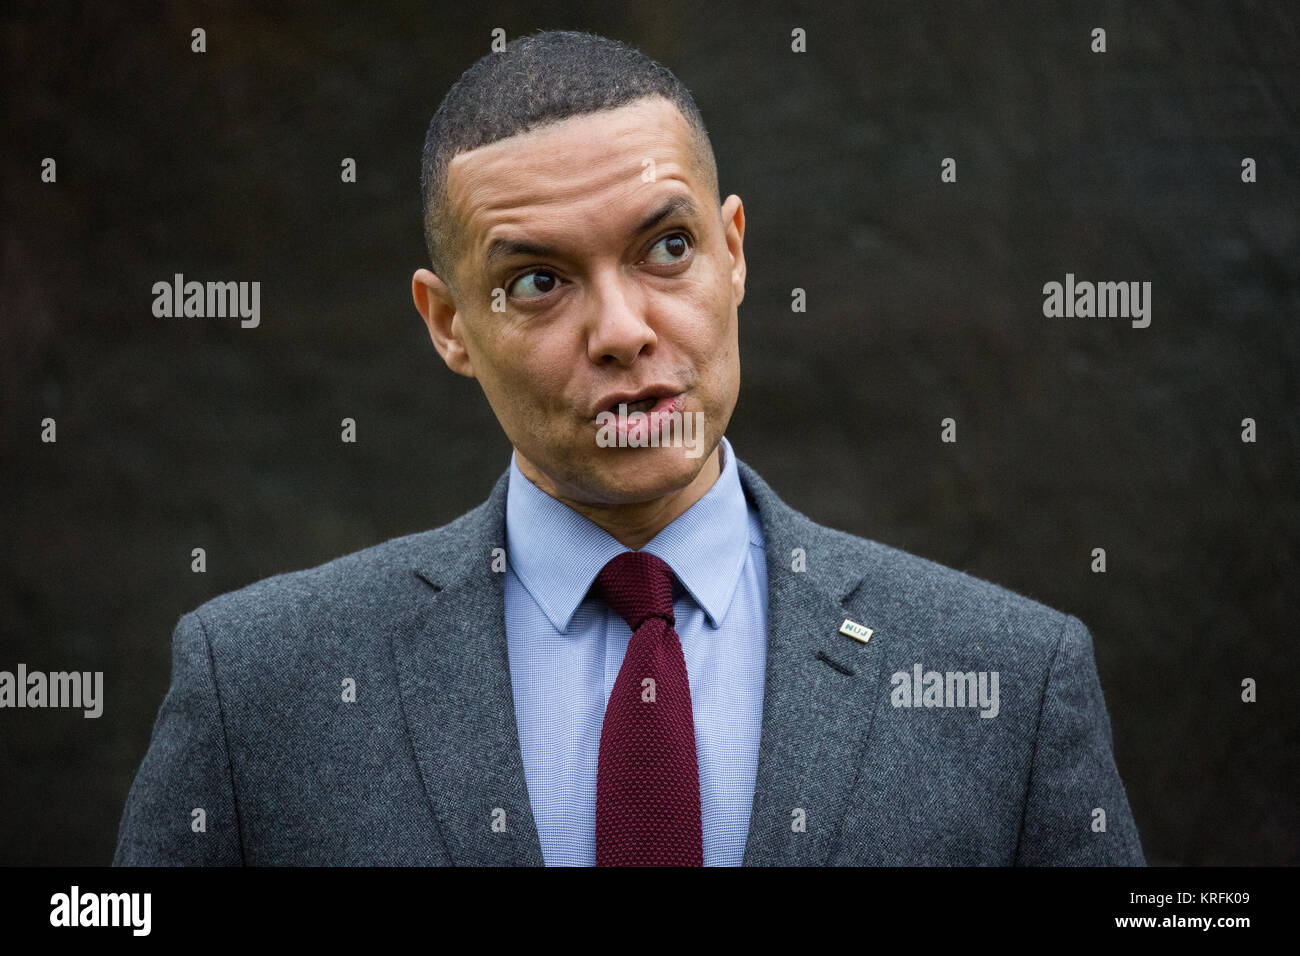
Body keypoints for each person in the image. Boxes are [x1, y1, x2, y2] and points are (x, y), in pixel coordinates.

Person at [113, 29, 1144, 866]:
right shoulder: (256, 686)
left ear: (733, 251)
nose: (620, 328)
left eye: (666, 247)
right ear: (448, 323)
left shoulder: (1009, 676)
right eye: (536, 280)